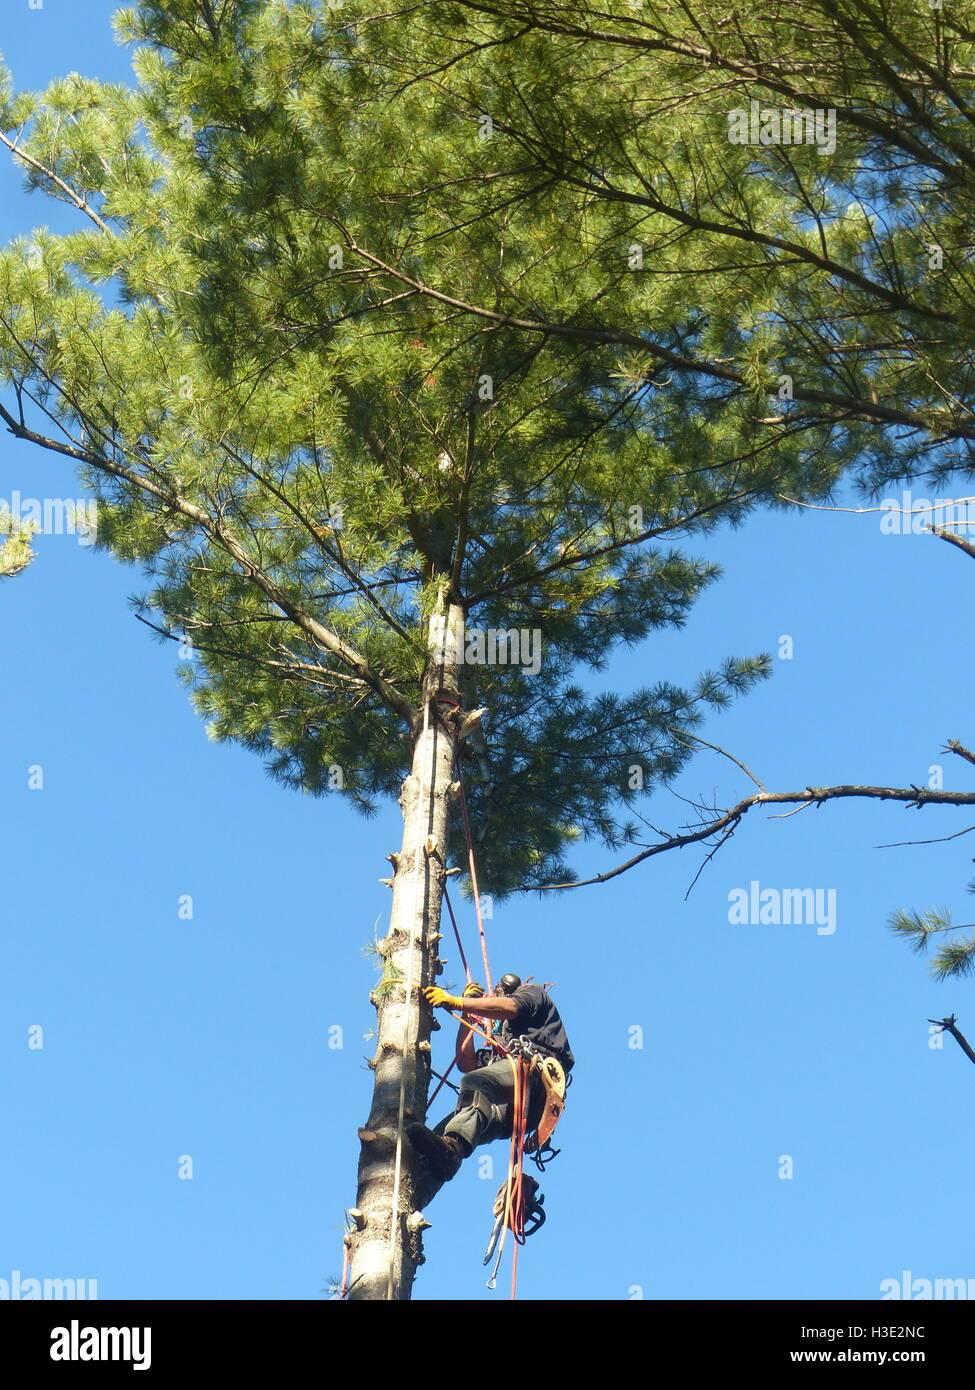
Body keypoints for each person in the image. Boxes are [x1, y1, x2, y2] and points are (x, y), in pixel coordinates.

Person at [407, 973, 574, 1206]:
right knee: (441, 1132)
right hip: (506, 1112)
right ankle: (417, 1197)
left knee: (477, 1084)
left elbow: (510, 1007)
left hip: (535, 1078)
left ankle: (453, 1148)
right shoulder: (498, 1047)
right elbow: (466, 1063)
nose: (488, 999)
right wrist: (466, 1014)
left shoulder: (531, 994)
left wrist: (458, 1002)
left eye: (493, 994)